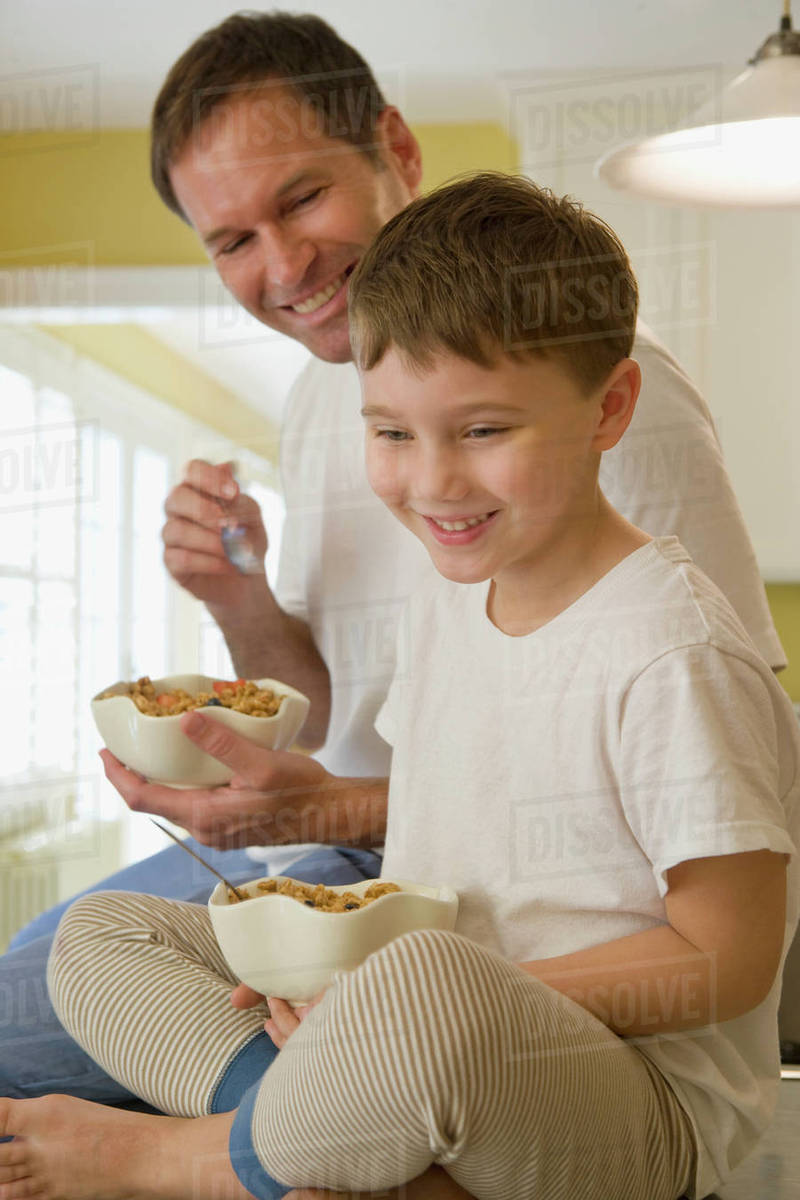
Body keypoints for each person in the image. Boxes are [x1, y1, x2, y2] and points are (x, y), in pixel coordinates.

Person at [0, 10, 791, 1107]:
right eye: (231, 242)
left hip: (460, 890)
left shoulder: (592, 407)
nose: (282, 266)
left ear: (396, 150)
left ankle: (278, 1144)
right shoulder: (325, 404)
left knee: (14, 1036)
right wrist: (237, 595)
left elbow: (683, 780)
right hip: (363, 860)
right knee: (84, 963)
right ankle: (305, 1135)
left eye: (301, 199)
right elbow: (328, 708)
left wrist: (327, 814)